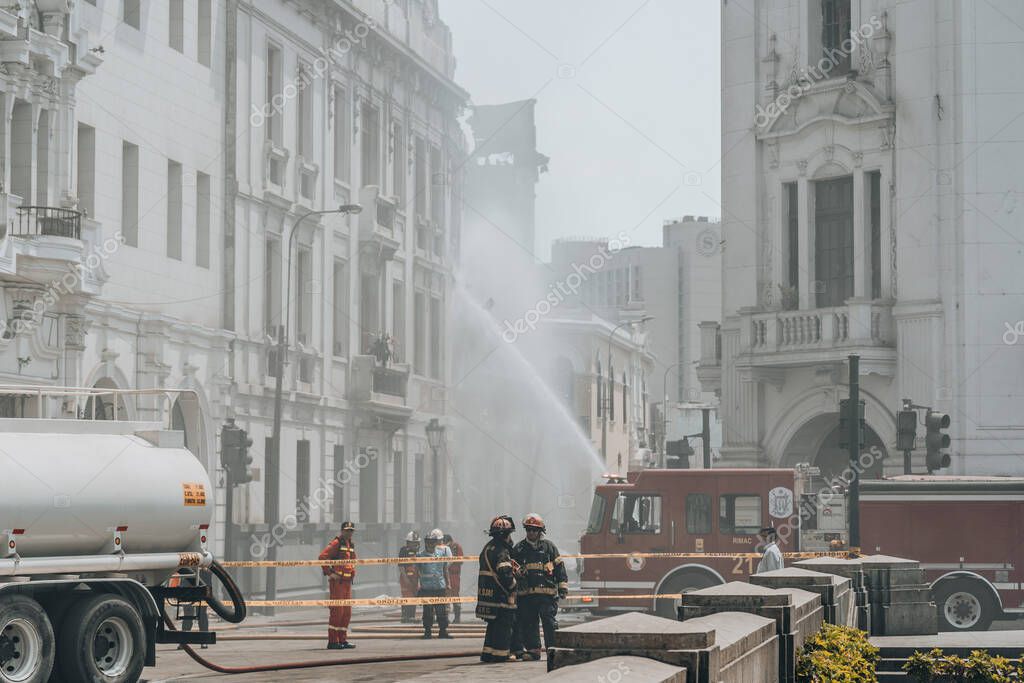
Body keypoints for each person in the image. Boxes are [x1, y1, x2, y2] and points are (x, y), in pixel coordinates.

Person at [512, 513, 568, 661]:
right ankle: (533, 651)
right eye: (529, 529)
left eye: (534, 530)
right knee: (529, 623)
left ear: (540, 531)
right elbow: (512, 570)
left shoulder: (549, 547)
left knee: (549, 623)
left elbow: (559, 567)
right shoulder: (519, 549)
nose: (531, 532)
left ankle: (552, 650)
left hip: (547, 595)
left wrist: (562, 587)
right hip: (526, 595)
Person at [477, 515, 518, 663]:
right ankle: (501, 655)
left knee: (493, 625)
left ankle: (488, 654)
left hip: (488, 596)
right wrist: (514, 586)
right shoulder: (502, 551)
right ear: (505, 535)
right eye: (509, 534)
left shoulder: (487, 547)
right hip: (501, 596)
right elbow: (505, 573)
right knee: (504, 626)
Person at [319, 521, 357, 649]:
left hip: (346, 584)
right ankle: (333, 641)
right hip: (338, 584)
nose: (349, 532)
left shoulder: (350, 544)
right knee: (337, 612)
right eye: (347, 530)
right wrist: (329, 573)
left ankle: (342, 639)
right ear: (342, 531)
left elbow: (352, 560)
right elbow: (322, 557)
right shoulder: (336, 543)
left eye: (351, 530)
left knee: (347, 612)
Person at [417, 528, 453, 638]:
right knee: (427, 611)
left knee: (441, 610)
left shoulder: (441, 553)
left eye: (432, 542)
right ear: (425, 543)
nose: (430, 545)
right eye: (428, 542)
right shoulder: (420, 555)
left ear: (435, 542)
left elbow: (445, 569)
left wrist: (448, 583)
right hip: (426, 588)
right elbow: (417, 572)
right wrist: (418, 585)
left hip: (439, 587)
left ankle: (443, 631)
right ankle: (427, 631)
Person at [398, 531, 421, 623]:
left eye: (417, 542)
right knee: (407, 596)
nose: (416, 544)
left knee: (414, 596)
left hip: (415, 578)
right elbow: (401, 566)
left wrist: (420, 580)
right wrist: (405, 578)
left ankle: (411, 616)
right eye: (414, 542)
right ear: (409, 542)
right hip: (406, 577)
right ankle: (405, 616)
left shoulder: (418, 552)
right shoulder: (404, 550)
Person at [443, 533, 464, 624]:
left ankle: (457, 617)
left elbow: (461, 560)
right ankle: (445, 618)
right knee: (445, 596)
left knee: (455, 595)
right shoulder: (443, 548)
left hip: (454, 574)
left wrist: (451, 561)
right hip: (445, 574)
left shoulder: (457, 547)